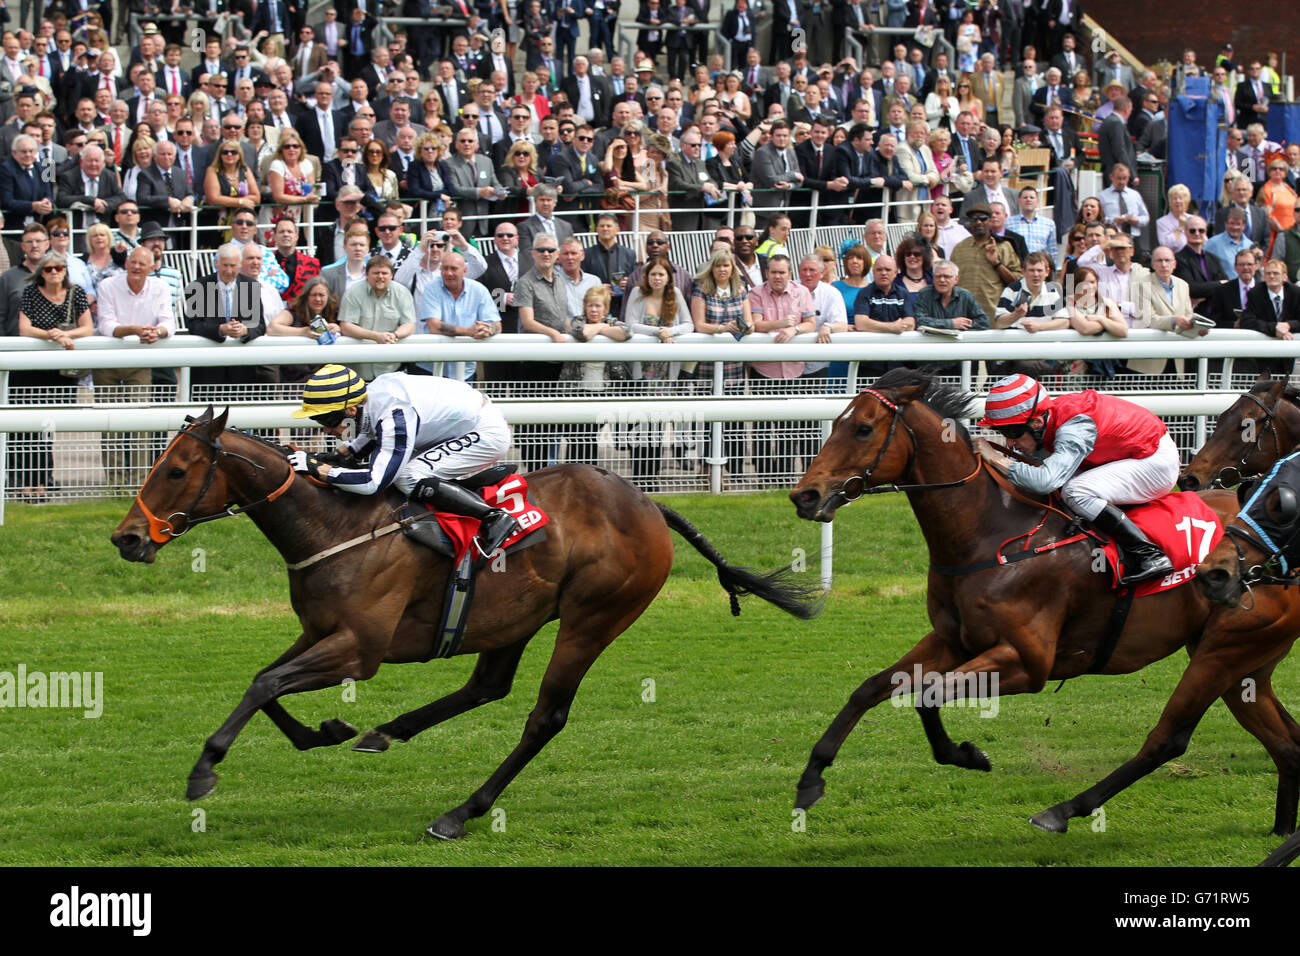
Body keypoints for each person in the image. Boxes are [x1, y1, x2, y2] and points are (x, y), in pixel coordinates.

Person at [290, 365, 519, 557]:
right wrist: (340, 456)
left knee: (407, 477)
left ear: (350, 410)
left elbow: (373, 482)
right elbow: (370, 431)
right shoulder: (370, 400)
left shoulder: (394, 413)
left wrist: (322, 469)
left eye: (327, 420)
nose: (326, 430)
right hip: (454, 425)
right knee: (404, 471)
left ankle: (493, 518)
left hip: (485, 432)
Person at [975, 374, 1179, 586]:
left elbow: (1045, 481)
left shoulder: (1075, 426)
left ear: (1037, 422)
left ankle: (1149, 555)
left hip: (1154, 461)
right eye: (1000, 432)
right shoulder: (1051, 418)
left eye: (1012, 432)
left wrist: (996, 458)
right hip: (1123, 454)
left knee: (1074, 491)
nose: (1009, 443)